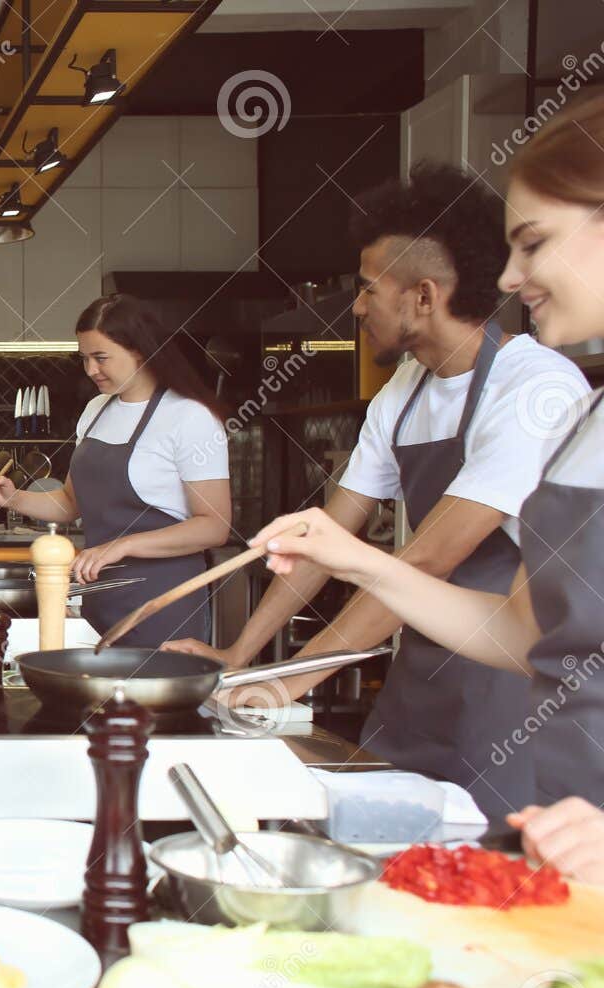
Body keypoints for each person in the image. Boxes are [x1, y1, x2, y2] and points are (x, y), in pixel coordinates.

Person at [246, 94, 604, 880]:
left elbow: (440, 559)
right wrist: (264, 652)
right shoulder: (584, 418)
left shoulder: (538, 386)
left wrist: (295, 671)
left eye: (534, 242)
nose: (509, 276)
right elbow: (522, 631)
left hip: (510, 724)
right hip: (538, 774)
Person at [165, 163, 589, 820]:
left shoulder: (532, 389)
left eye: (367, 289)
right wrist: (240, 656)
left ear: (423, 296)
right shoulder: (404, 392)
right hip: (415, 681)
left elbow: (424, 561)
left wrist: (292, 678)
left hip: (498, 700)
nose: (356, 306)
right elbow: (321, 542)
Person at [0, 294, 233, 646]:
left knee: (151, 700)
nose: (90, 370)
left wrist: (122, 546)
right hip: (100, 601)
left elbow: (215, 527)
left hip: (163, 605)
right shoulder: (97, 410)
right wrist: (12, 497)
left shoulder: (190, 417)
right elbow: (70, 503)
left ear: (140, 351)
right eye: (84, 358)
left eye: (101, 358)